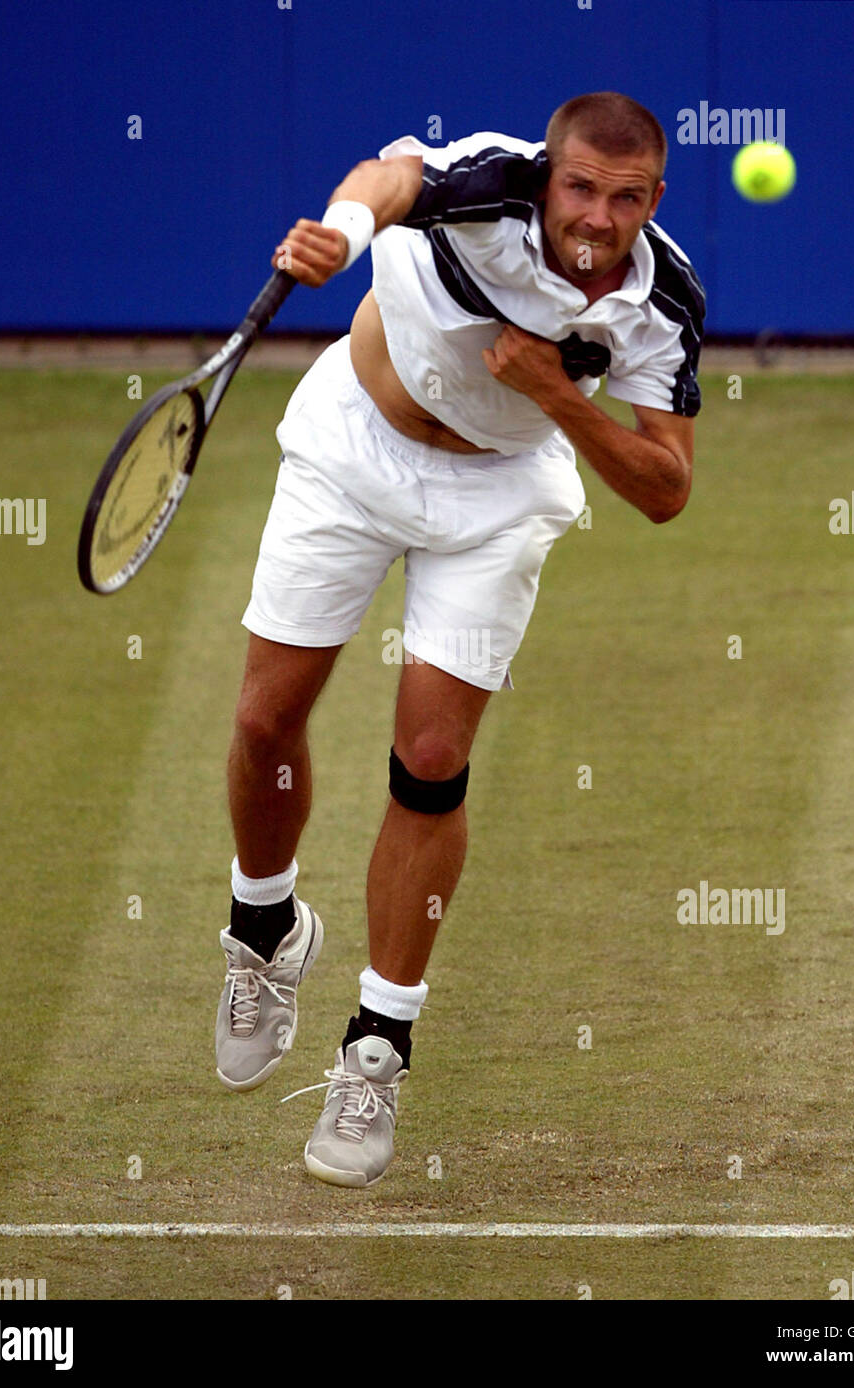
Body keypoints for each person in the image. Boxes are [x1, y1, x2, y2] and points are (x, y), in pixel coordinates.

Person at [214, 91, 704, 1187]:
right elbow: (390, 181)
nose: (596, 218)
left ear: (654, 200)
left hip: (497, 497)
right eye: (579, 187)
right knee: (264, 716)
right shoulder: (487, 183)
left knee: (431, 762)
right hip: (355, 449)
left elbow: (667, 488)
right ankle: (265, 928)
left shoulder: (660, 298)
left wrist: (555, 394)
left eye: (625, 200)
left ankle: (376, 1047)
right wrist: (344, 232)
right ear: (550, 174)